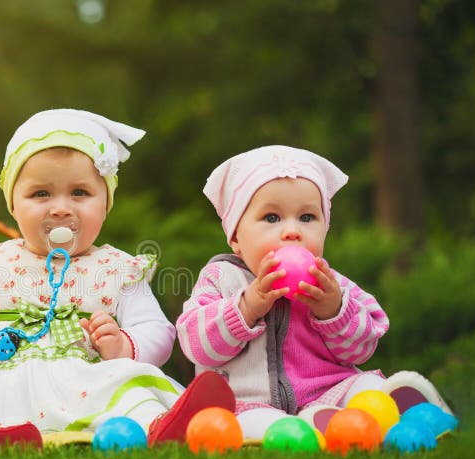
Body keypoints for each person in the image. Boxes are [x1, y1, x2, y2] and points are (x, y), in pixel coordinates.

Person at [0, 109, 234, 448]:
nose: (60, 208)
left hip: (84, 383)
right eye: (41, 194)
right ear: (13, 206)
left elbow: (156, 330)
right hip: (1, 382)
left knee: (125, 390)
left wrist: (122, 345)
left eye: (79, 193)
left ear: (105, 205)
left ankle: (160, 424)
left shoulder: (117, 268)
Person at [176, 145, 452, 439]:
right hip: (251, 402)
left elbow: (364, 347)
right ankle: (310, 428)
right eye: (272, 218)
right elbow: (195, 345)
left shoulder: (330, 284)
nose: (292, 231)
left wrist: (334, 310)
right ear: (235, 237)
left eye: (307, 217)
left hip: (330, 391)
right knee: (256, 424)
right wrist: (246, 308)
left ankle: (399, 405)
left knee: (365, 389)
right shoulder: (221, 278)